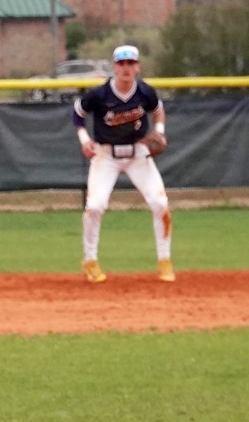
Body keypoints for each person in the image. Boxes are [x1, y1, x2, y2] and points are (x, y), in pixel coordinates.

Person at [72, 44, 174, 283]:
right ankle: (90, 260)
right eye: (121, 64)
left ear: (137, 67)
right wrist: (84, 139)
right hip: (106, 154)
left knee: (160, 203)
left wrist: (159, 131)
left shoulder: (145, 92)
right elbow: (78, 114)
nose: (126, 68)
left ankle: (165, 260)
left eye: (130, 63)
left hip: (138, 152)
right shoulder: (99, 94)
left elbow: (158, 112)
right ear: (114, 67)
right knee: (95, 206)